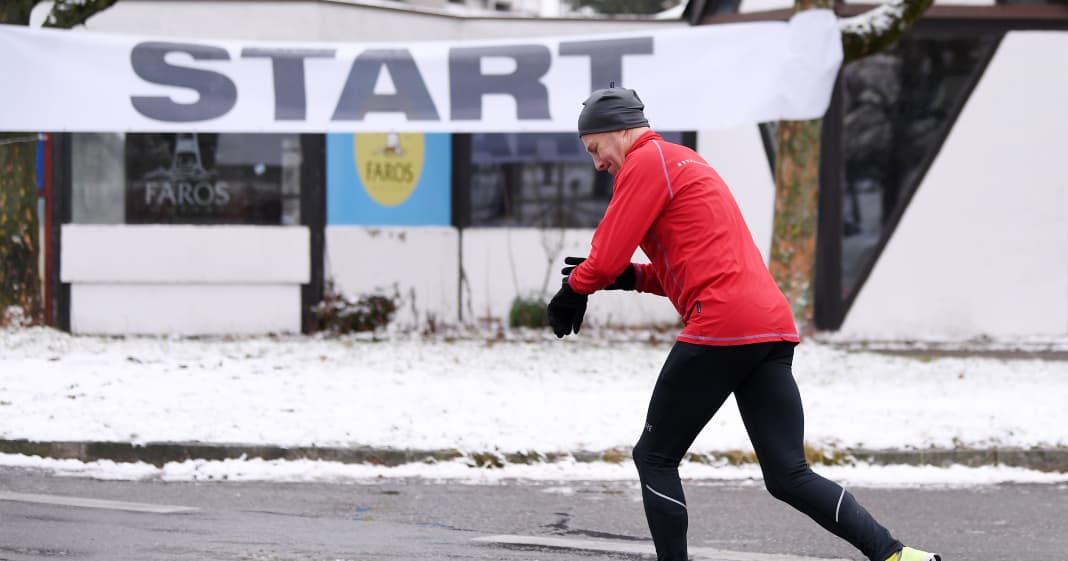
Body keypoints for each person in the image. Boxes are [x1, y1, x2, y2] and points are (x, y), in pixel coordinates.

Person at [546, 86, 941, 561]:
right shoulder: (685, 162)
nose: (597, 163)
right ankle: (898, 556)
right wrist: (630, 278)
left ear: (620, 131)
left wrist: (575, 290)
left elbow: (605, 254)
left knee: (654, 457)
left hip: (722, 327)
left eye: (595, 149)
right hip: (769, 327)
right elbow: (690, 268)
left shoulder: (645, 163)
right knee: (789, 475)